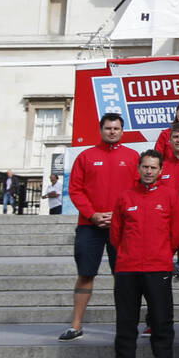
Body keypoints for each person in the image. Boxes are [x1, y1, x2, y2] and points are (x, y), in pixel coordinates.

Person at [106, 150, 179, 358]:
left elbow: (178, 230)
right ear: (138, 169)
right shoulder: (125, 197)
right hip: (128, 269)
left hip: (157, 267)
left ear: (161, 171)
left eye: (153, 167)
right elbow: (116, 234)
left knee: (162, 322)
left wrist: (162, 253)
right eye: (145, 167)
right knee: (125, 323)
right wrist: (129, 254)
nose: (149, 171)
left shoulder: (170, 196)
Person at [60, 112, 139, 340]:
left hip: (121, 226)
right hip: (89, 225)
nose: (112, 132)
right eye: (108, 128)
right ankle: (76, 325)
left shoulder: (133, 156)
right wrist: (92, 214)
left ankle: (124, 326)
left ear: (122, 131)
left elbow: (136, 191)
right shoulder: (86, 156)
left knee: (122, 276)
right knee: (86, 274)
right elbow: (75, 189)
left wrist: (118, 215)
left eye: (116, 128)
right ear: (101, 130)